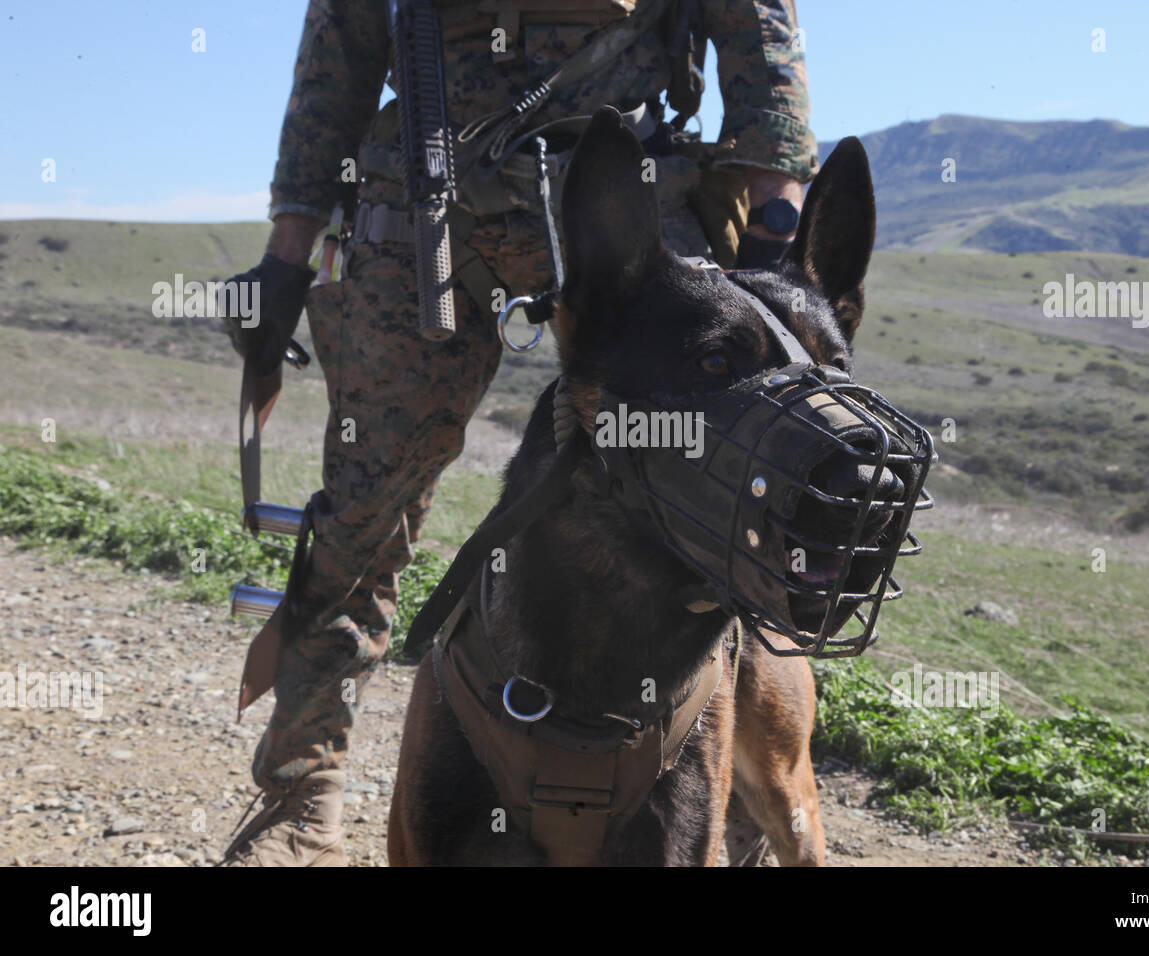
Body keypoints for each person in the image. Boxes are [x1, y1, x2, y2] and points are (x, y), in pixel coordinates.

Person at [219, 0, 818, 866]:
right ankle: (298, 798)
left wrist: (773, 219)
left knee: (695, 499)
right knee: (359, 516)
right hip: (421, 198)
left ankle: (697, 789)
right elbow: (337, 57)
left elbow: (756, 23)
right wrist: (287, 254)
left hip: (625, 189)